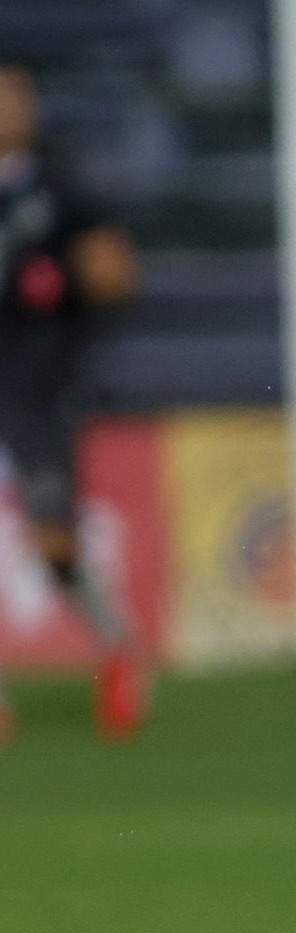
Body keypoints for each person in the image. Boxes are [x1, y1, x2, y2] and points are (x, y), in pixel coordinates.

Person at [0, 59, 144, 744]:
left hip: (36, 389)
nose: (9, 108)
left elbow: (117, 272)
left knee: (54, 545)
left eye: (16, 96)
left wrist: (72, 276)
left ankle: (119, 647)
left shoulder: (61, 189)